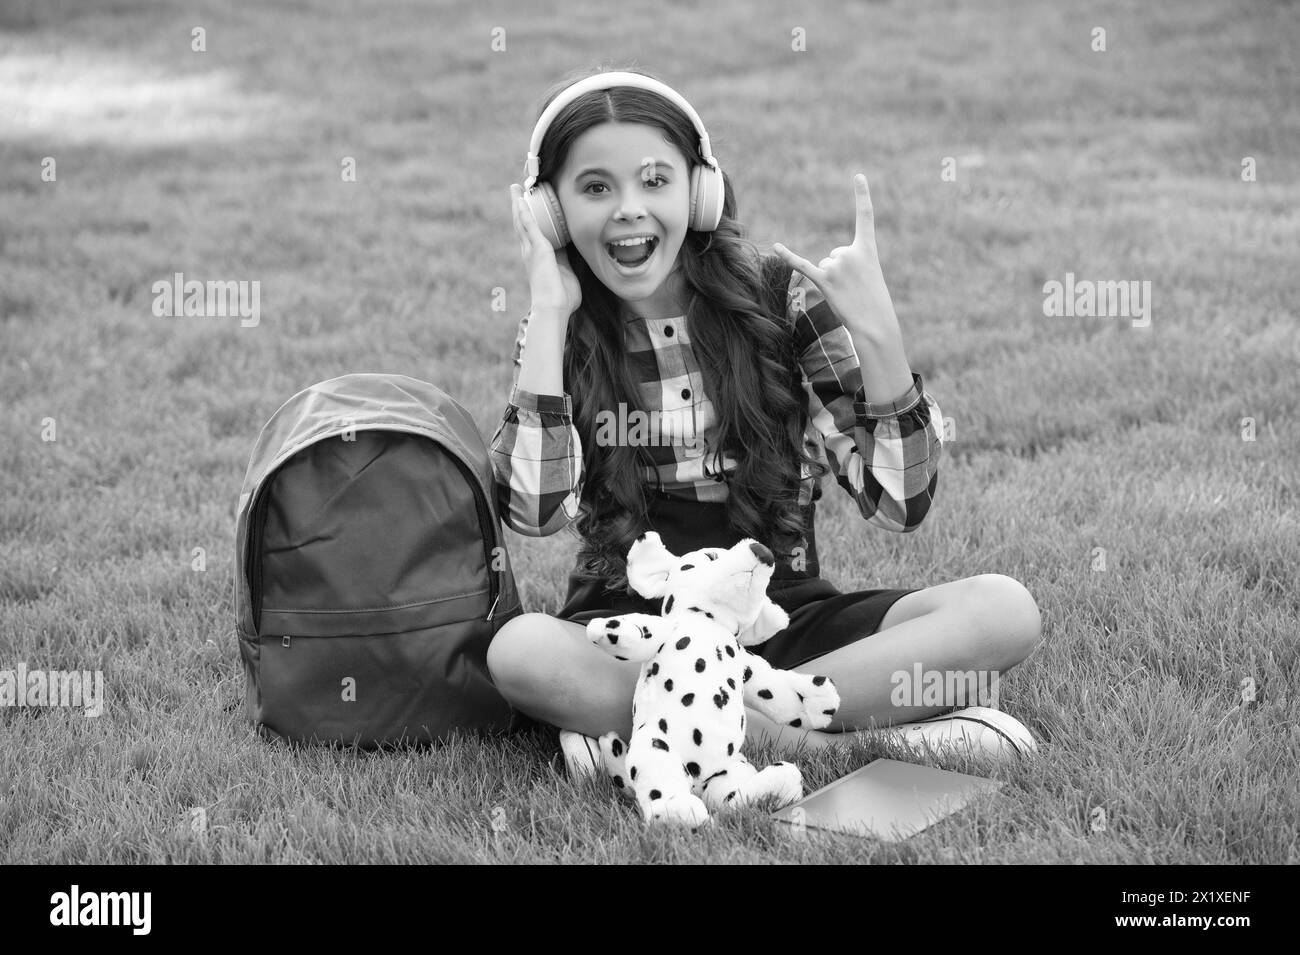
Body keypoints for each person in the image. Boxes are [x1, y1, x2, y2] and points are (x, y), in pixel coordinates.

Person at [486, 66, 1044, 779]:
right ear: (552, 211)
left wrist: (880, 338)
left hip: (782, 621)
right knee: (520, 649)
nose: (628, 208)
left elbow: (900, 504)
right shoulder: (559, 328)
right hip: (641, 635)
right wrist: (550, 311)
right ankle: (821, 743)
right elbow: (534, 513)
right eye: (595, 188)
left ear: (700, 190)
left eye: (655, 180)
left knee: (1004, 609)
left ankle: (672, 732)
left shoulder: (781, 301)